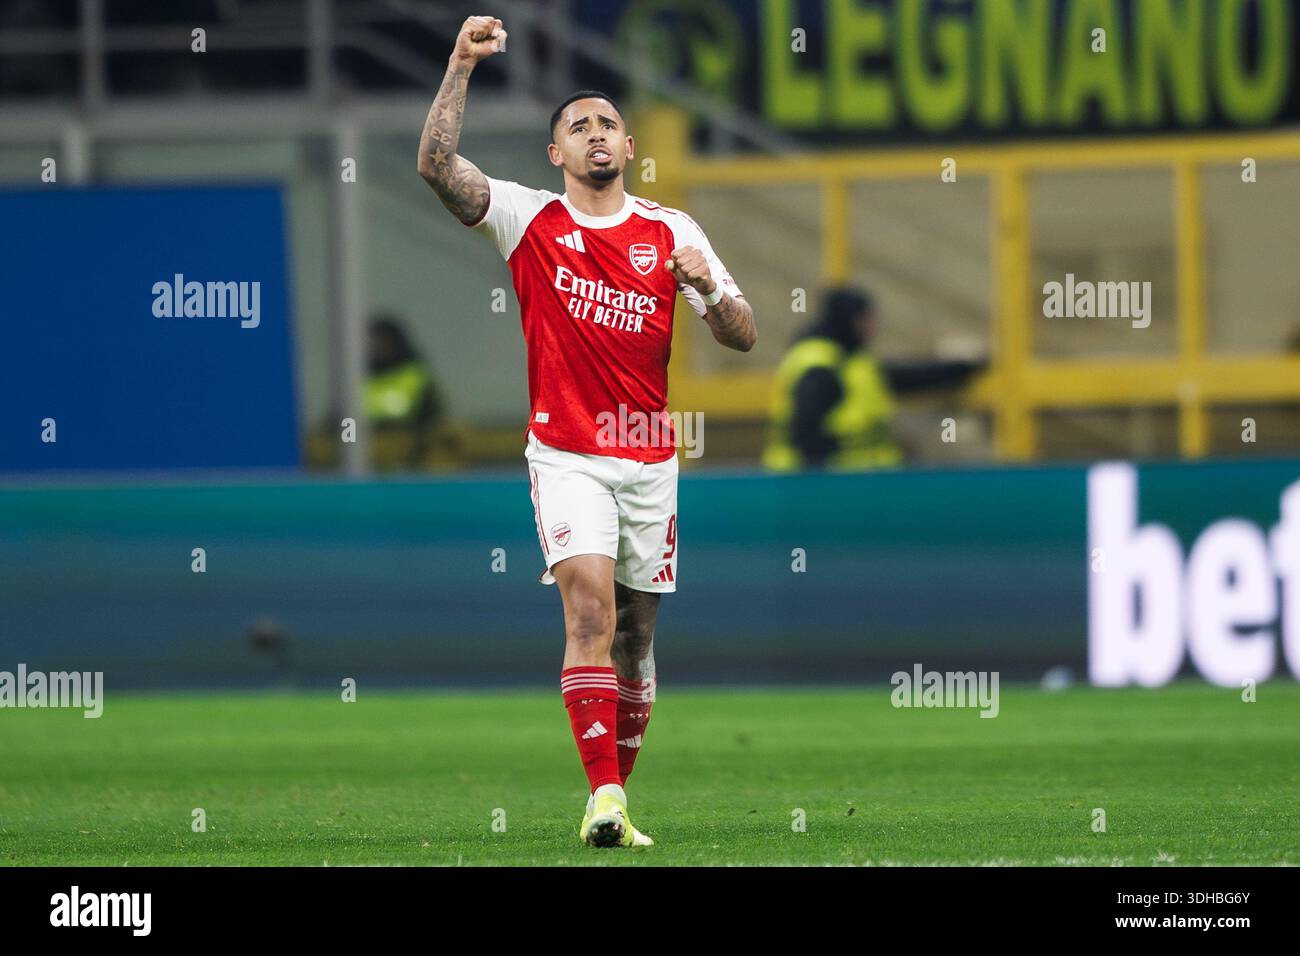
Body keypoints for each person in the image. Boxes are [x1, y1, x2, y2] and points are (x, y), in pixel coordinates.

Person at [417, 16, 756, 848]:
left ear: (629, 145)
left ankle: (615, 802)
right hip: (566, 453)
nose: (596, 134)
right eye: (579, 126)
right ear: (555, 154)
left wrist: (708, 289)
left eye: (608, 123)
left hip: (649, 459)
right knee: (590, 613)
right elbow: (435, 166)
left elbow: (743, 335)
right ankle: (603, 796)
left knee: (636, 638)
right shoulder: (528, 219)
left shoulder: (671, 232)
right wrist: (461, 62)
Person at [764, 287, 981, 471]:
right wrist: (821, 491)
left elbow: (906, 377)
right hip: (837, 489)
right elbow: (806, 433)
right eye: (865, 319)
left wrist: (961, 368)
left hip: (861, 484)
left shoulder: (850, 358)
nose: (871, 327)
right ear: (849, 320)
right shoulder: (820, 367)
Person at [364, 315, 444, 469]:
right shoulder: (354, 377)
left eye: (383, 340)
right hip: (363, 461)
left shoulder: (415, 375)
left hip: (410, 463)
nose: (377, 346)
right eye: (373, 341)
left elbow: (432, 421)